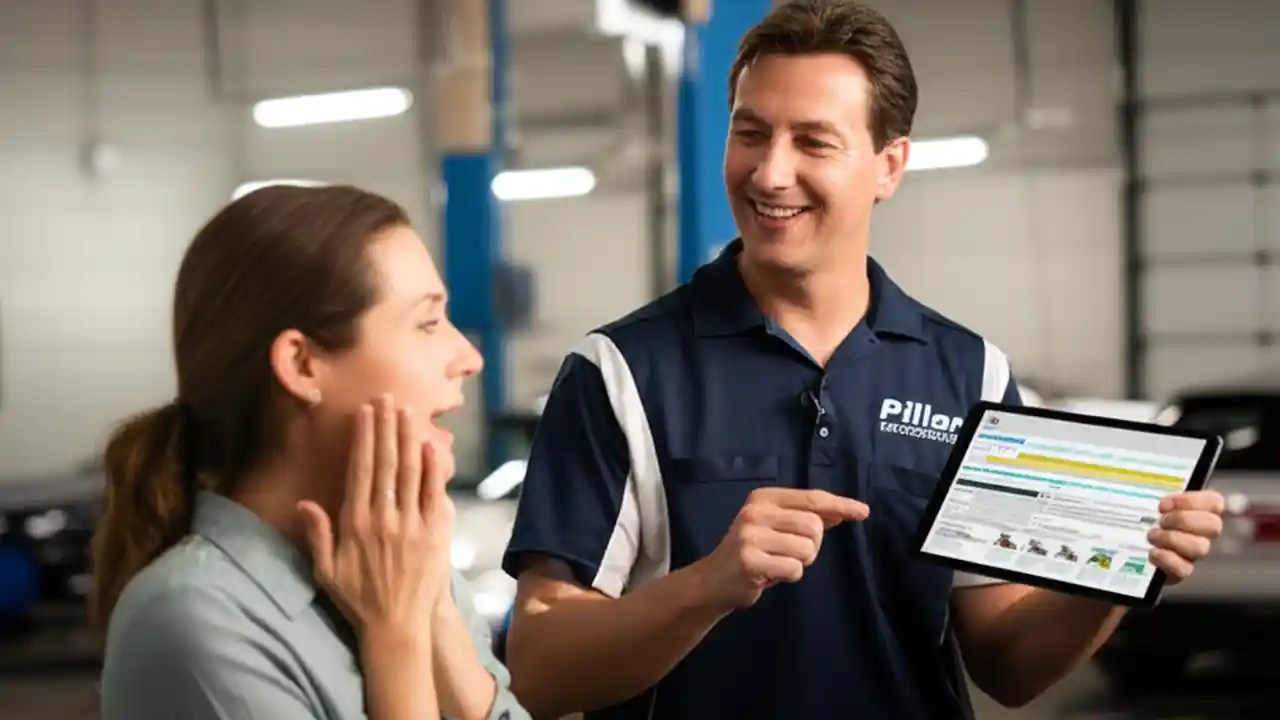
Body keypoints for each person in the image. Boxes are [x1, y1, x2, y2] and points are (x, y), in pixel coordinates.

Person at [499, 2, 1227, 719]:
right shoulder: (619, 373)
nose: (770, 174)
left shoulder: (972, 374)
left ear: (889, 165)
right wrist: (708, 585)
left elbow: (1006, 664)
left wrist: (1113, 571)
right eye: (750, 133)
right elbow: (540, 668)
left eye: (813, 142)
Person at [93, 185, 529, 720]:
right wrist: (397, 638)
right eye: (428, 323)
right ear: (301, 365)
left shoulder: (414, 572)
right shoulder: (195, 618)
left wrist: (432, 608)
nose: (468, 357)